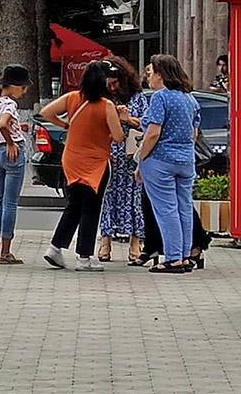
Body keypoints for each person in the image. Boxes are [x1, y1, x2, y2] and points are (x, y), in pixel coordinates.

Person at [39, 62, 125, 271]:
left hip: (72, 159)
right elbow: (118, 137)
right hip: (96, 163)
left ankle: (55, 248)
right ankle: (84, 257)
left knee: (74, 204)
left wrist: (66, 125)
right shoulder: (106, 105)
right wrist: (120, 118)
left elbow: (46, 112)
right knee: (91, 208)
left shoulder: (72, 98)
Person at [136, 54, 200, 274]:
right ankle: (183, 255)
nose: (149, 78)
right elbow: (194, 133)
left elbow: (153, 132)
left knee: (166, 210)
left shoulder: (160, 98)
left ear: (161, 75)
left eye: (151, 73)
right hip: (186, 160)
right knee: (184, 207)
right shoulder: (189, 98)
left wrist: (140, 158)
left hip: (160, 159)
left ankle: (172, 258)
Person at [98, 57, 147, 264]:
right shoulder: (102, 98)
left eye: (115, 82)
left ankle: (135, 242)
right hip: (108, 156)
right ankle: (105, 241)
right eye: (108, 82)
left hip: (131, 157)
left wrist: (127, 119)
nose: (112, 86)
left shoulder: (137, 98)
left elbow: (147, 124)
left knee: (134, 199)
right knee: (107, 199)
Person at [0, 65, 32, 264]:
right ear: (13, 86)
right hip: (12, 152)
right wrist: (12, 142)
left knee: (2, 201)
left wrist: (15, 128)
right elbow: (3, 124)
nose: (24, 92)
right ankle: (6, 252)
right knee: (11, 204)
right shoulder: (9, 104)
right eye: (22, 88)